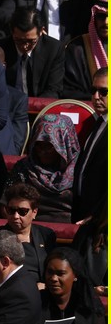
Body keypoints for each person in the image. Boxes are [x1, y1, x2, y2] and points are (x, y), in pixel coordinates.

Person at [7, 112, 81, 221]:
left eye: (49, 146)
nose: (42, 152)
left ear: (64, 144)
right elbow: (6, 202)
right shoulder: (24, 167)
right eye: (38, 145)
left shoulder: (81, 169)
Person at [0, 183, 57, 286]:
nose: (15, 216)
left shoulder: (46, 236)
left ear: (34, 212)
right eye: (11, 210)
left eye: (22, 211)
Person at [0, 7, 64, 101]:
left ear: (41, 31)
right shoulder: (0, 49)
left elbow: (54, 89)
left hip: (39, 108)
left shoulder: (54, 49)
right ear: (12, 31)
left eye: (31, 41)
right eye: (19, 40)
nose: (25, 46)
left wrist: (34, 106)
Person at [72, 67, 107, 225]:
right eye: (93, 90)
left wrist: (98, 214)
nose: (96, 97)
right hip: (84, 210)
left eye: (103, 92)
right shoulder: (99, 121)